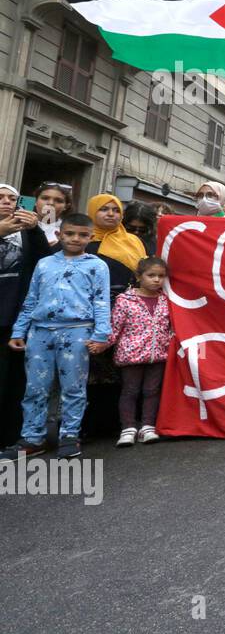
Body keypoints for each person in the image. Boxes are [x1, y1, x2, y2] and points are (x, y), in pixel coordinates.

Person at [1, 213, 111, 460]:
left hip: (77, 332)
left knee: (73, 387)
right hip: (40, 332)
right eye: (70, 233)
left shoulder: (97, 265)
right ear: (59, 235)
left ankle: (70, 435)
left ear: (90, 237)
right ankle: (32, 438)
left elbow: (101, 301)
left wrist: (102, 334)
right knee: (35, 388)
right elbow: (31, 299)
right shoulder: (45, 264)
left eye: (83, 235)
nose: (75, 239)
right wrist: (19, 330)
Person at [0, 184, 53, 445]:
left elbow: (45, 262)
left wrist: (35, 230)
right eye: (0, 198)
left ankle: (10, 435)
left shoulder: (26, 232)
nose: (7, 202)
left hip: (17, 316)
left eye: (12, 198)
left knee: (15, 379)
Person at [108, 257, 172, 447]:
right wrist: (102, 344)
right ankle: (128, 428)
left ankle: (147, 427)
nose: (156, 280)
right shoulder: (125, 300)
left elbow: (170, 327)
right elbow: (115, 326)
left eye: (161, 276)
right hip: (131, 355)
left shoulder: (166, 300)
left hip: (158, 354)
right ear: (138, 276)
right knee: (130, 391)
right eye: (151, 275)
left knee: (152, 391)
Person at [87, 194, 146, 301]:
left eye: (116, 210)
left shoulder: (133, 241)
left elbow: (145, 271)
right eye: (103, 209)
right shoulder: (82, 239)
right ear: (92, 211)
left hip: (127, 304)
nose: (110, 214)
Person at [34, 181, 72, 249]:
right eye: (45, 198)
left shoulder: (71, 231)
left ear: (66, 206)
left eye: (58, 200)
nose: (51, 203)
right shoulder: (20, 225)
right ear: (35, 201)